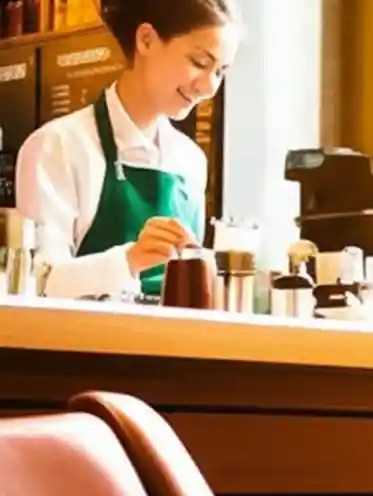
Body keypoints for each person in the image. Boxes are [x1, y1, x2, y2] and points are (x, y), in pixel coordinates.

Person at [16, 0, 242, 299]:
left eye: (220, 72)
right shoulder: (59, 145)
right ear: (146, 40)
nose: (210, 87)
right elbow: (37, 283)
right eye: (199, 63)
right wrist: (129, 260)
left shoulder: (191, 160)